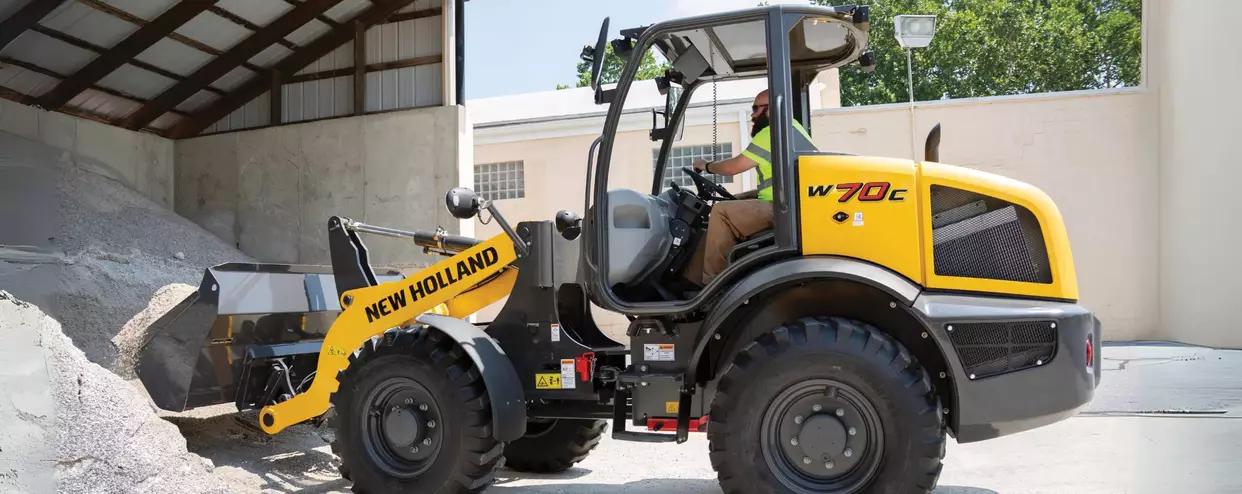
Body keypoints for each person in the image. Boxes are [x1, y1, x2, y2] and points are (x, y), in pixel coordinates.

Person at [681, 88, 817, 287]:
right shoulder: (792, 127)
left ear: (772, 109)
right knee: (731, 203)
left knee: (721, 212)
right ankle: (688, 280)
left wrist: (706, 166)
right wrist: (742, 196)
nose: (753, 114)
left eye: (756, 108)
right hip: (789, 202)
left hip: (782, 208)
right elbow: (779, 181)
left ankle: (712, 285)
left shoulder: (772, 132)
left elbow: (733, 167)